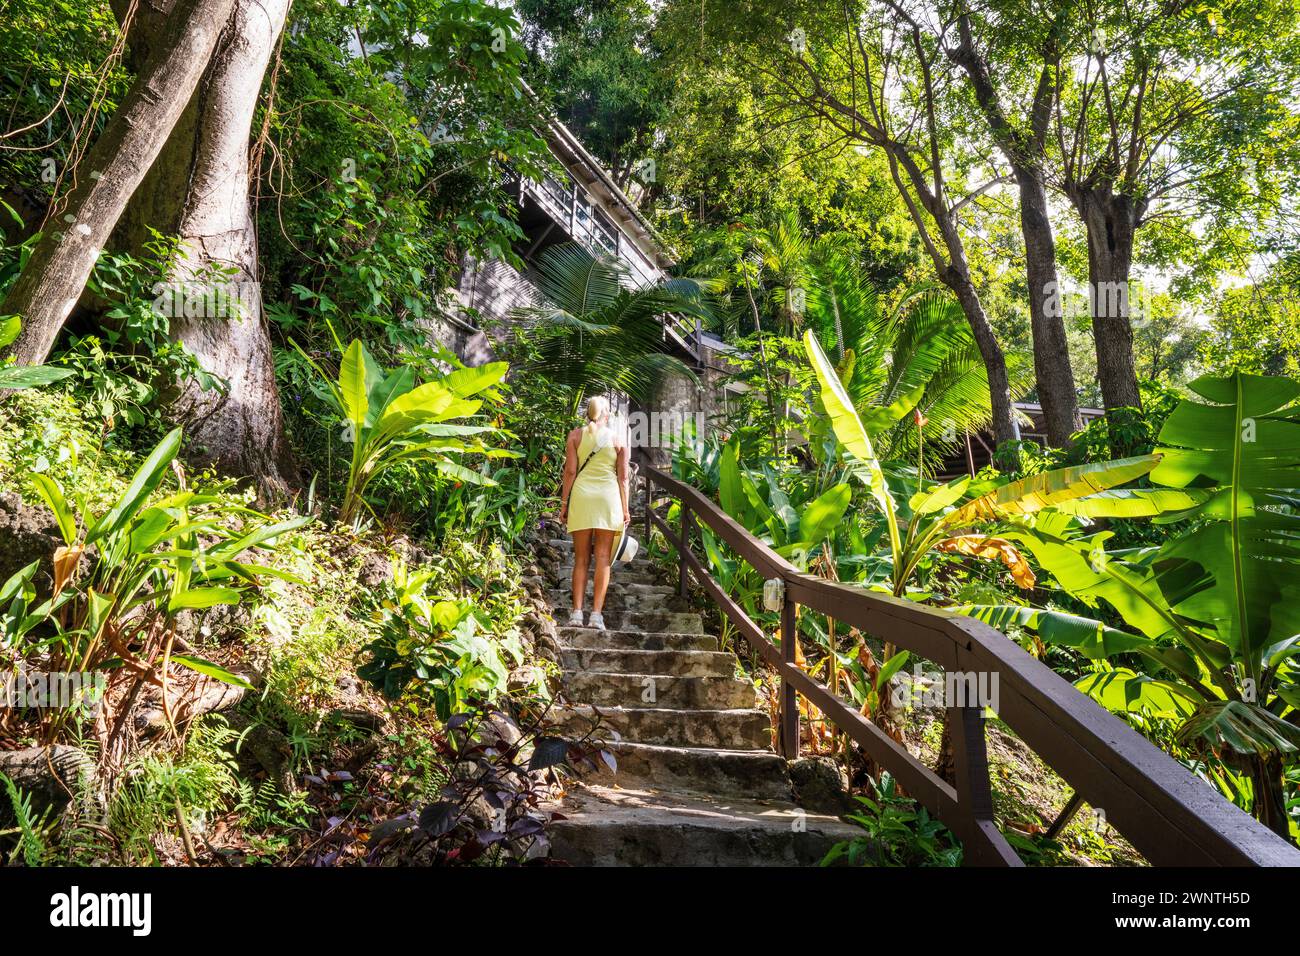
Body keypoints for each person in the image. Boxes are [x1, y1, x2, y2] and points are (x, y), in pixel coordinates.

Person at [558, 396, 630, 630]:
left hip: (582, 496)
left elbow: (570, 472)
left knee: (580, 559)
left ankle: (576, 614)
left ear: (587, 413)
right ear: (607, 414)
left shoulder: (575, 436)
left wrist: (564, 503)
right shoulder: (619, 440)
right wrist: (626, 508)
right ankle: (596, 615)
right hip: (608, 499)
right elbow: (624, 479)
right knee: (603, 558)